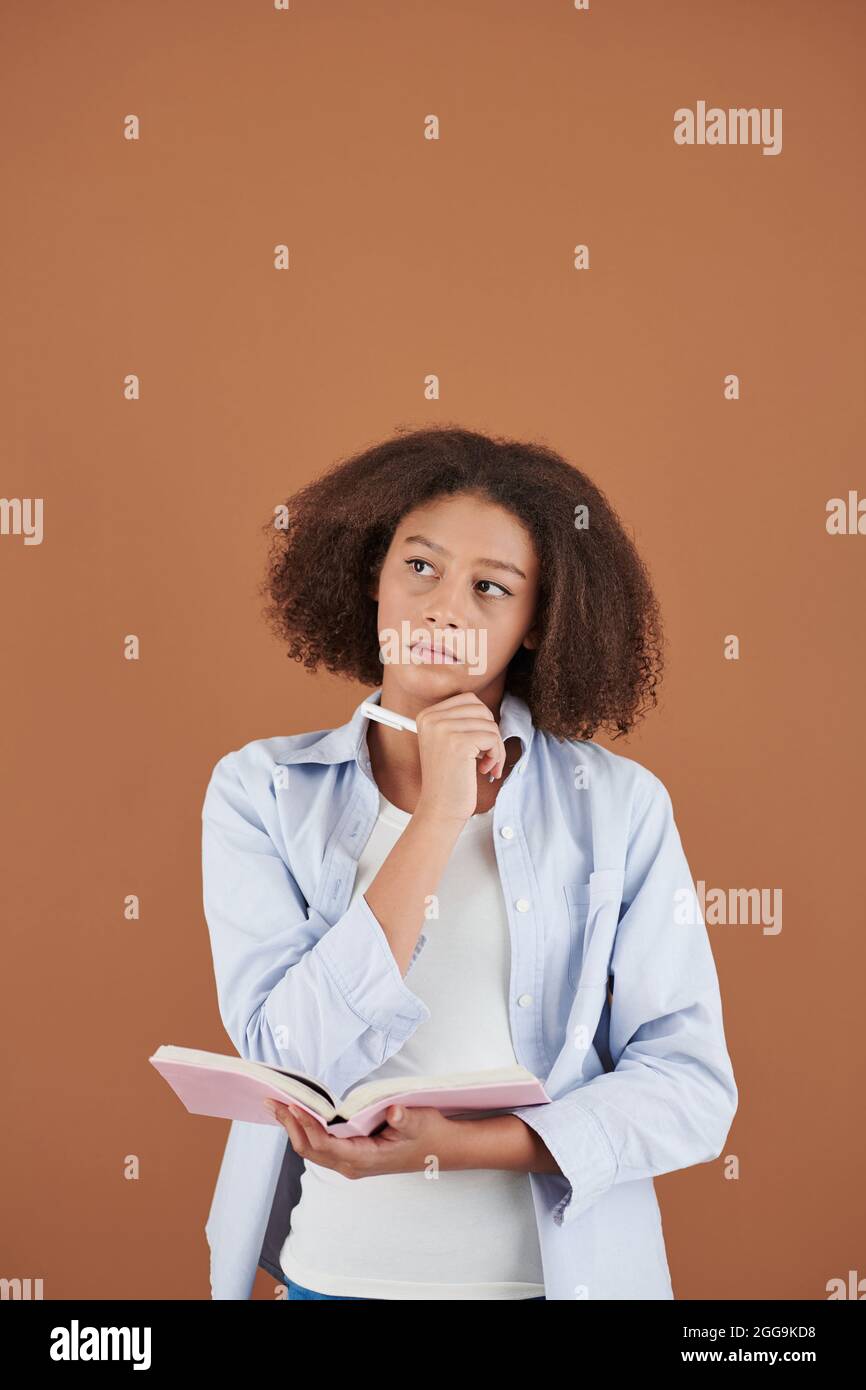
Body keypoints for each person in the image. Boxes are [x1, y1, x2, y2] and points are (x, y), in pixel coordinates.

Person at [201, 424, 738, 1300]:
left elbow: (689, 1085)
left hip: (556, 1285)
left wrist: (455, 1146)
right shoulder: (262, 791)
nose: (443, 610)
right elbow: (287, 1050)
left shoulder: (619, 805)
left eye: (492, 588)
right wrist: (441, 814)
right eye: (419, 567)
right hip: (335, 1279)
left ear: (535, 626)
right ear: (370, 575)